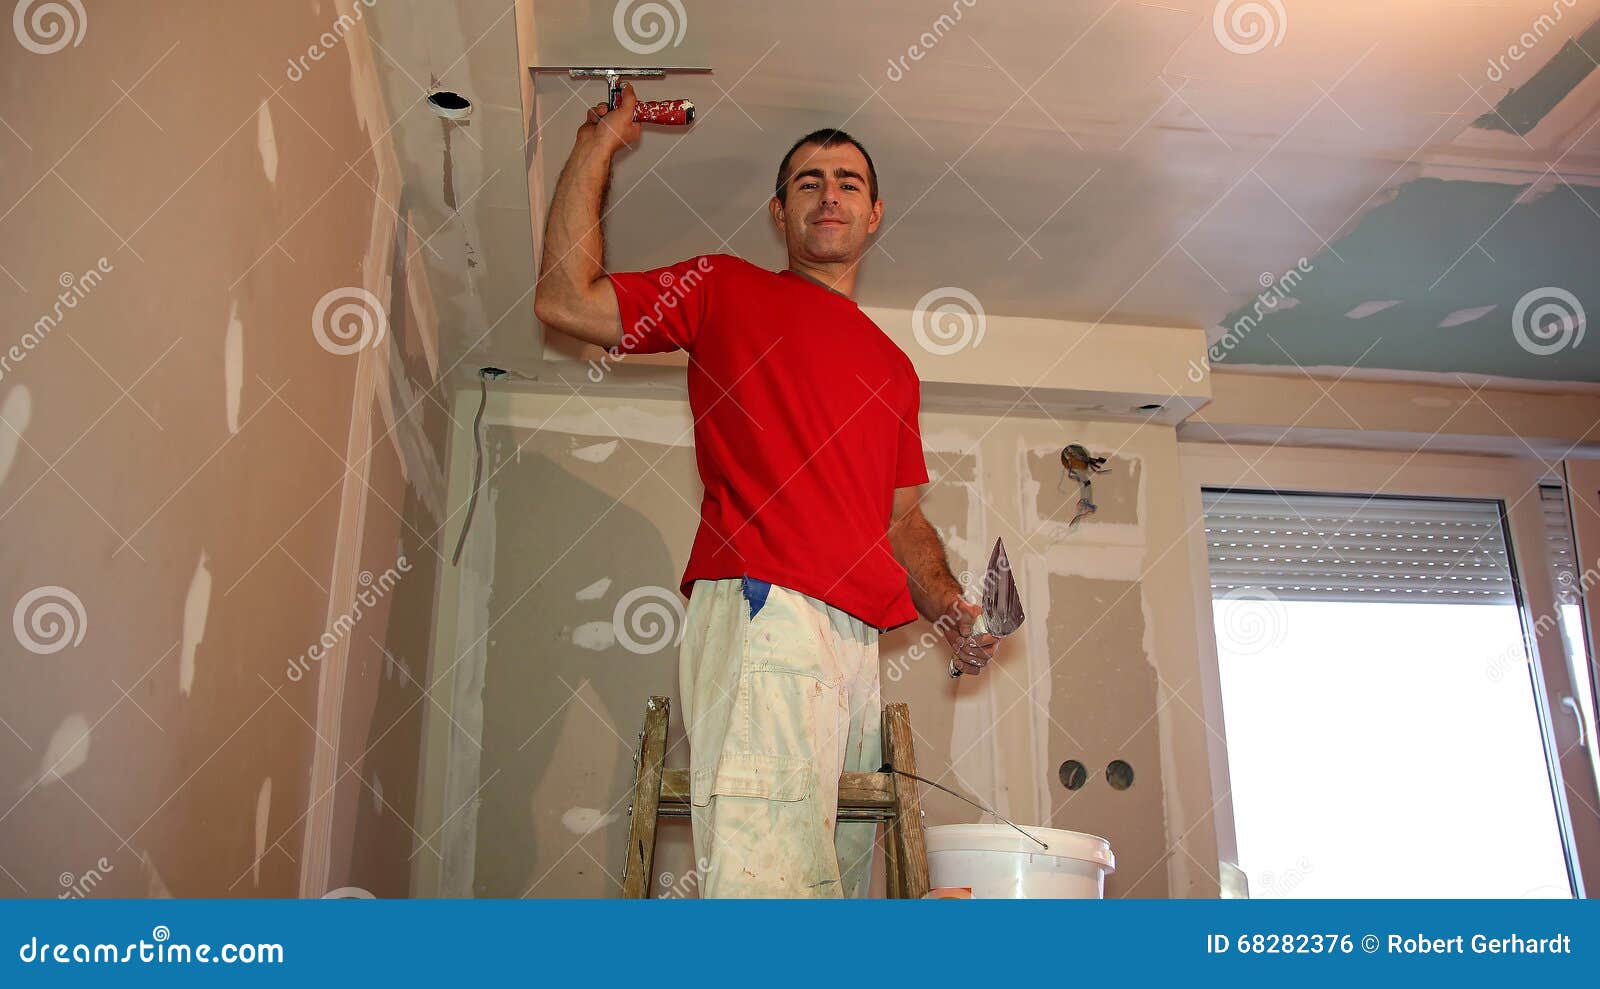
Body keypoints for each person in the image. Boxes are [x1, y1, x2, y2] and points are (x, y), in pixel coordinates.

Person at [534, 83, 999, 897]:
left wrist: (952, 605)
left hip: (855, 641)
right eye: (807, 182)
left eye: (848, 182)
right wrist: (598, 147)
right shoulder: (724, 288)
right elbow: (565, 299)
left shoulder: (894, 368)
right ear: (779, 215)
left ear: (875, 214)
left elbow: (902, 518)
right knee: (769, 885)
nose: (829, 194)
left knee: (832, 881)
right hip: (768, 604)